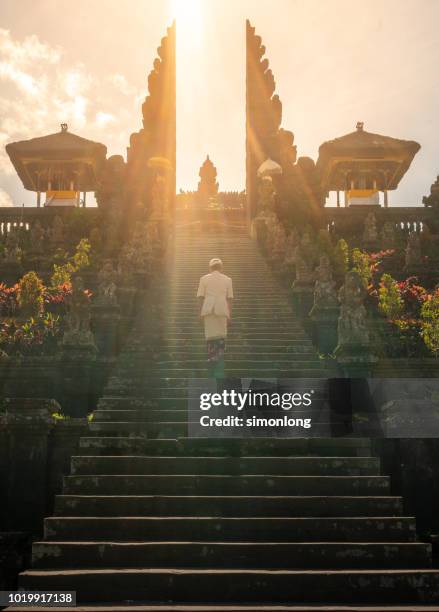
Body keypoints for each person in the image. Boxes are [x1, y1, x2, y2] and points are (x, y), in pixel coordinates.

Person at [197, 258, 233, 378]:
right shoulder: (228, 280)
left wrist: (200, 312)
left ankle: (211, 358)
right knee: (221, 336)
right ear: (221, 268)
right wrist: (229, 314)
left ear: (210, 268)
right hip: (222, 309)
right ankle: (219, 359)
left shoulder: (204, 279)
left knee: (210, 336)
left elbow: (201, 297)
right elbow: (230, 299)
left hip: (208, 310)